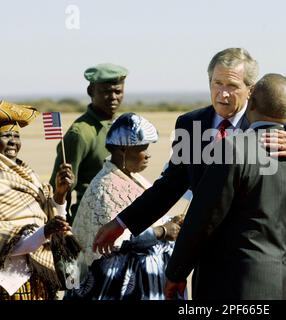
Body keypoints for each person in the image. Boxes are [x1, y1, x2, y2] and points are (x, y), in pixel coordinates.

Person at [93, 48, 286, 280]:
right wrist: (122, 223)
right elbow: (169, 186)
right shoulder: (191, 125)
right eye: (217, 83)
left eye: (232, 86)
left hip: (261, 268)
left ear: (251, 90)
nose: (222, 94)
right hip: (207, 265)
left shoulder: (279, 124)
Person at [163, 73, 286, 299]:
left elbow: (204, 217)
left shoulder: (232, 149)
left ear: (251, 102)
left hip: (232, 285)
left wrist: (176, 273)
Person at [67, 113, 184, 300]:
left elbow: (146, 215)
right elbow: (118, 241)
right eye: (142, 148)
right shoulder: (105, 187)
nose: (148, 154)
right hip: (116, 286)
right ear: (122, 150)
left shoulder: (135, 178)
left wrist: (172, 221)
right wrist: (162, 231)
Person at [0, 101, 73, 300]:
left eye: (16, 136)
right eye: (6, 136)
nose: (13, 141)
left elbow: (52, 218)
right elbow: (5, 235)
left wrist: (59, 195)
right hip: (6, 281)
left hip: (36, 279)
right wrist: (45, 231)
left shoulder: (29, 176)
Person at [50, 63, 128, 224]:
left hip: (119, 220)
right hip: (89, 223)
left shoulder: (122, 126)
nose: (113, 97)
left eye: (118, 91)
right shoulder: (80, 134)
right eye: (106, 91)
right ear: (91, 92)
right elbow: (61, 188)